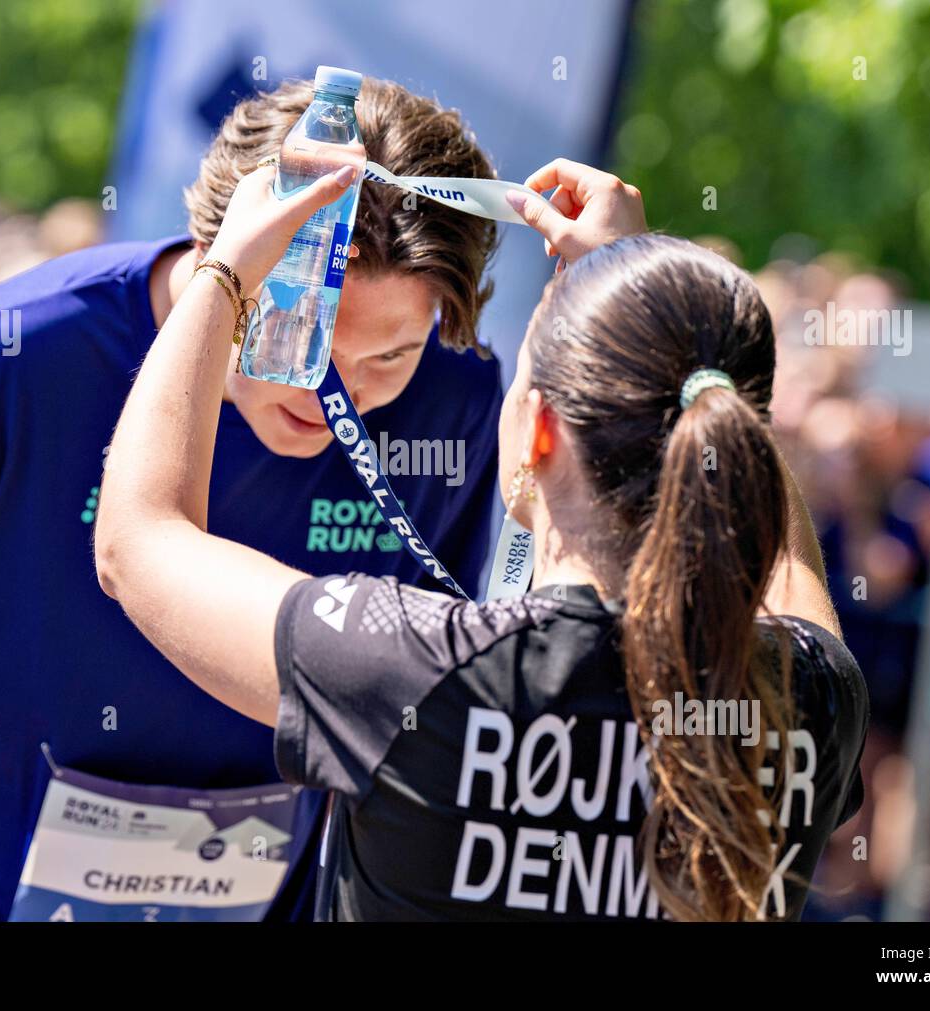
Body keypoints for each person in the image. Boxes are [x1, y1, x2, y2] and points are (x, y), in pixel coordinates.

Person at [0, 78, 504, 921]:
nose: (337, 398)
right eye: (304, 338)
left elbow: (404, 719)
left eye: (389, 359)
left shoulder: (454, 399)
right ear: (223, 249)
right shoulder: (14, 355)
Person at [95, 157, 868, 921]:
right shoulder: (806, 696)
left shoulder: (410, 669)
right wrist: (650, 306)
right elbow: (782, 553)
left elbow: (137, 542)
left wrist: (226, 270)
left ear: (536, 429)